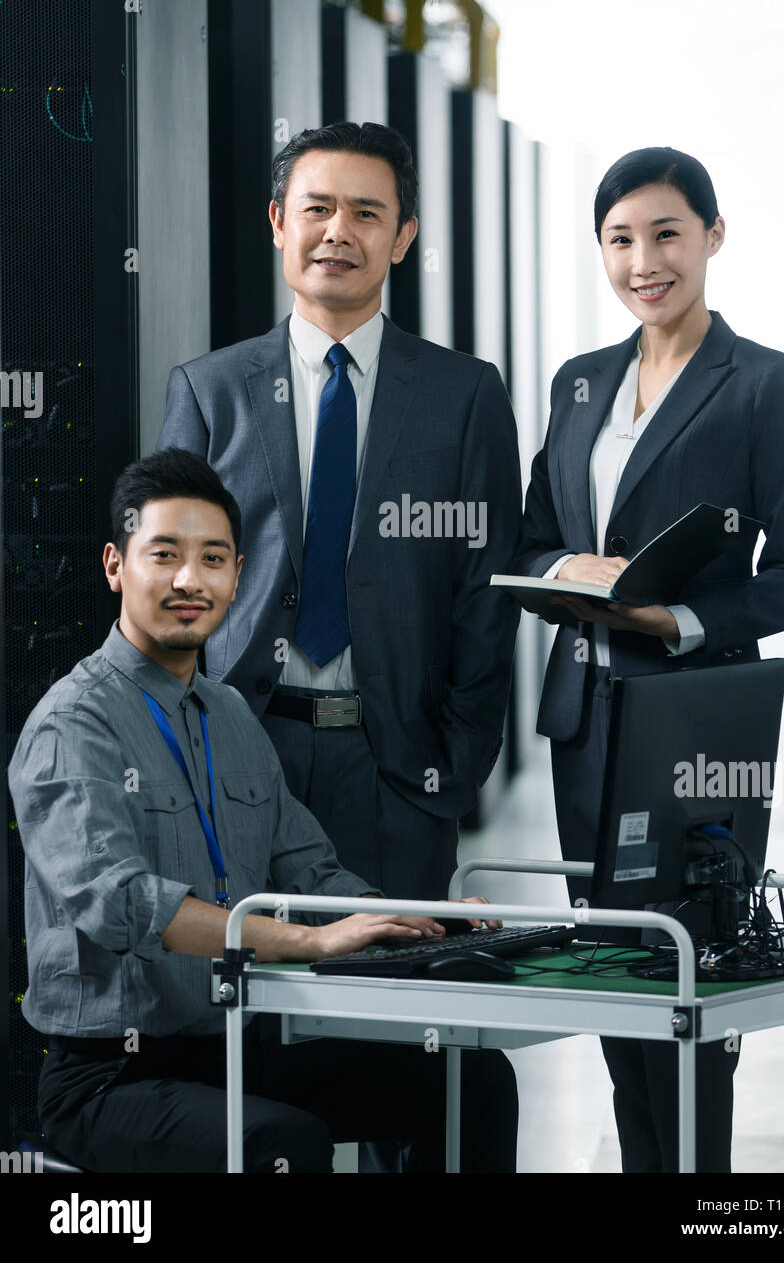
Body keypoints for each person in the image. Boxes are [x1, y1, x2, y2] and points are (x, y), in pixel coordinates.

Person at [8, 448, 518, 1174]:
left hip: (237, 1048)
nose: (191, 579)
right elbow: (118, 904)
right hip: (112, 1077)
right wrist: (306, 943)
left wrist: (412, 918)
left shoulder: (231, 714)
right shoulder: (73, 723)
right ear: (116, 566)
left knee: (470, 1079)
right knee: (283, 1146)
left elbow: (307, 869)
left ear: (238, 576)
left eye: (213, 558)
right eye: (165, 555)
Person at [511, 146, 784, 1173]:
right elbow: (528, 539)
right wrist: (572, 570)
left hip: (695, 720)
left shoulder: (761, 384)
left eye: (663, 234)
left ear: (710, 236)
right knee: (609, 970)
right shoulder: (575, 386)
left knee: (692, 983)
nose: (641, 260)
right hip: (584, 720)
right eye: (618, 239)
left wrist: (678, 620)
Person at [155, 121, 522, 906]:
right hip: (238, 751)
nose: (337, 232)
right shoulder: (208, 391)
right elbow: (165, 587)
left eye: (366, 213)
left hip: (396, 765)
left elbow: (486, 592)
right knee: (241, 1006)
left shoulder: (465, 395)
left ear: (402, 237)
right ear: (279, 221)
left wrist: (451, 770)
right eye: (316, 208)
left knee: (381, 1008)